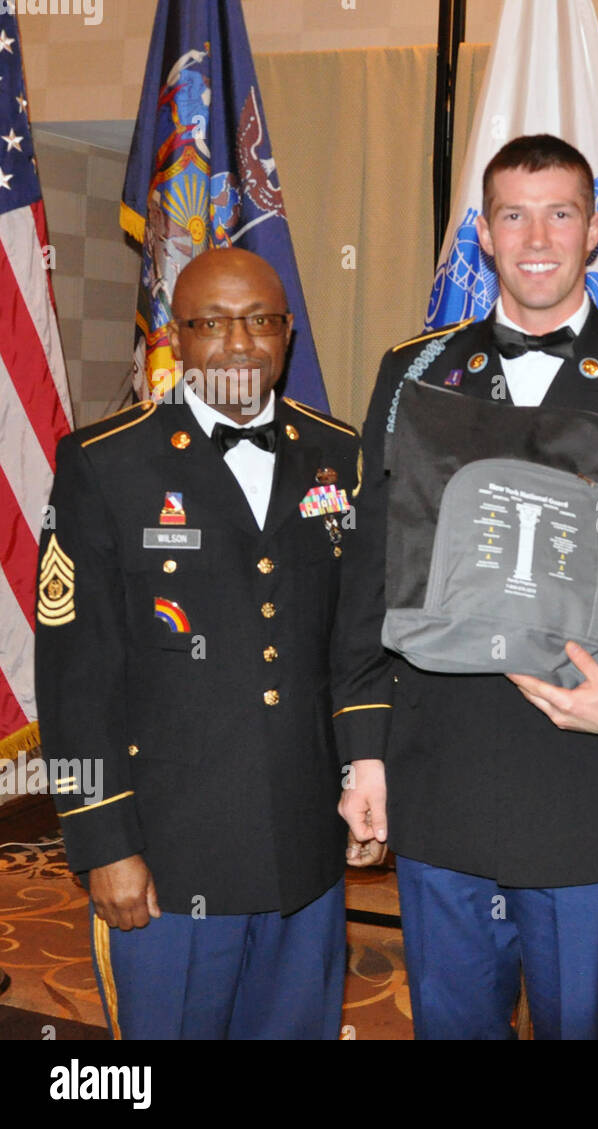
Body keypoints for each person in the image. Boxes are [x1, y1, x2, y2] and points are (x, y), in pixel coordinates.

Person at [335, 134, 598, 1040]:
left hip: (587, 785)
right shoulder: (411, 376)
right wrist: (363, 749)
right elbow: (369, 576)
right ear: (481, 235)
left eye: (560, 212)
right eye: (513, 214)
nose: (537, 236)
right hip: (439, 771)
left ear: (595, 231)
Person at [34, 248, 360, 1039]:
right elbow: (76, 677)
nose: (239, 343)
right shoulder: (105, 461)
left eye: (259, 320)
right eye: (211, 323)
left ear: (286, 333)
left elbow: (355, 646)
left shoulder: (339, 453)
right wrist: (102, 839)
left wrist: (365, 786)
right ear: (176, 338)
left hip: (305, 849)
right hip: (167, 861)